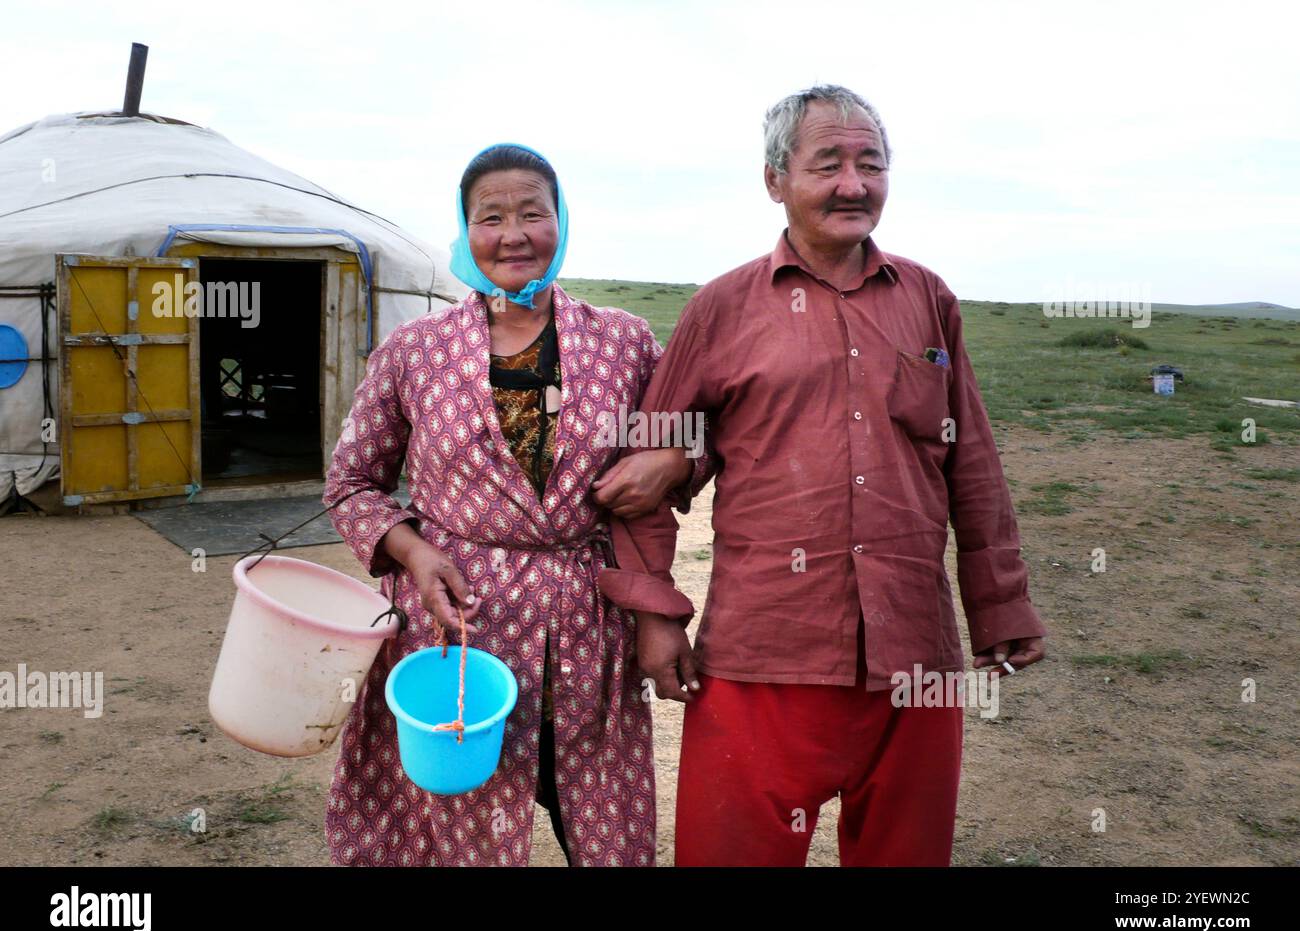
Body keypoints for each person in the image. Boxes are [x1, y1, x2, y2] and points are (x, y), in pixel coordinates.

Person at [598, 86, 1047, 867]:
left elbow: (971, 460)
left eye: (870, 164)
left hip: (915, 658)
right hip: (761, 652)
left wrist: (999, 601)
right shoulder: (721, 308)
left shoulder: (929, 300)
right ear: (775, 179)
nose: (853, 184)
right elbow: (643, 477)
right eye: (828, 163)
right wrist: (657, 614)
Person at [322, 143, 694, 866]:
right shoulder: (415, 351)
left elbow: (674, 456)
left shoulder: (623, 341)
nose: (514, 234)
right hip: (455, 624)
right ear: (465, 232)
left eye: (533, 213)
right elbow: (351, 484)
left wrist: (676, 459)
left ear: (562, 221)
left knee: (602, 821)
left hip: (589, 622)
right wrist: (413, 549)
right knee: (455, 818)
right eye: (490, 217)